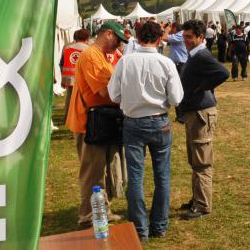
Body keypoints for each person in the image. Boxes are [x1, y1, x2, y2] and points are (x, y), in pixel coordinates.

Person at [108, 21, 183, 241]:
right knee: (162, 175)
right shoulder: (166, 63)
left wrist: (129, 100)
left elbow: (113, 95)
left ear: (137, 38)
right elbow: (177, 98)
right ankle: (159, 226)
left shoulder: (125, 62)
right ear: (160, 39)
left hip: (133, 122)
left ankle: (140, 229)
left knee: (136, 177)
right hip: (159, 121)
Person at [65, 20, 127, 226]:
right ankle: (90, 215)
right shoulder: (91, 56)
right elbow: (104, 91)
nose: (118, 46)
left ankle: (102, 210)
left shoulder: (98, 55)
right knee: (93, 171)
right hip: (89, 122)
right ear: (108, 34)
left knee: (100, 169)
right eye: (117, 40)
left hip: (95, 120)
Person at [177, 19, 230, 220]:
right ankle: (197, 199)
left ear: (200, 37)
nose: (186, 40)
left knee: (202, 162)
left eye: (190, 37)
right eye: (184, 36)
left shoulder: (201, 55)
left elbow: (222, 72)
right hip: (195, 113)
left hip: (201, 114)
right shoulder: (195, 55)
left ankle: (202, 205)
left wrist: (203, 87)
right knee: (195, 159)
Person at [60, 28, 90, 120]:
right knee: (83, 98)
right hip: (83, 78)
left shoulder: (67, 47)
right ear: (86, 38)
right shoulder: (88, 48)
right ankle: (82, 116)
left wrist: (63, 77)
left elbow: (62, 63)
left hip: (69, 77)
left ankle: (66, 116)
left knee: (69, 97)